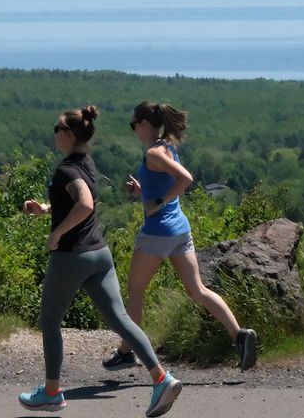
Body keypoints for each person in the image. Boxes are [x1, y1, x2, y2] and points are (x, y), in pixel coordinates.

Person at [18, 105, 182, 417]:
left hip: (72, 256)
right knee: (121, 319)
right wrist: (45, 208)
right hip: (99, 255)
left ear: (68, 135)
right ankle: (162, 379)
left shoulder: (66, 168)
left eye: (58, 129)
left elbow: (84, 204)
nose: (54, 134)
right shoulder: (86, 163)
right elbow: (80, 202)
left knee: (50, 321)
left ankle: (52, 392)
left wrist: (57, 235)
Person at [103, 101, 258, 372]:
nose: (133, 131)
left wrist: (158, 201)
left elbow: (185, 179)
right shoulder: (168, 146)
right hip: (180, 231)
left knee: (135, 292)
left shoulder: (153, 153)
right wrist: (144, 191)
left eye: (133, 125)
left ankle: (128, 351)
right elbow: (166, 181)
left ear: (143, 124)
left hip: (157, 232)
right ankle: (240, 336)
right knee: (197, 290)